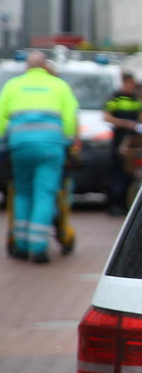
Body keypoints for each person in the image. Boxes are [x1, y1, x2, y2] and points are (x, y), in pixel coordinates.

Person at [0, 52, 78, 263]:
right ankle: (39, 247)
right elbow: (70, 118)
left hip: (20, 146)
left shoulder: (12, 85)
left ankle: (22, 245)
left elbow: (1, 117)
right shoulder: (59, 86)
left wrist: (4, 144)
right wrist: (68, 141)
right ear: (45, 65)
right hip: (50, 147)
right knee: (44, 193)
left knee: (22, 192)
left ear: (27, 66)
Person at [102, 72, 142, 216]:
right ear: (124, 83)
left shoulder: (135, 98)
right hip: (119, 140)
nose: (132, 87)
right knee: (117, 173)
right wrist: (123, 123)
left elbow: (141, 113)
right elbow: (106, 116)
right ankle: (113, 205)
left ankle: (124, 204)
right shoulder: (116, 97)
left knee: (128, 173)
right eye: (130, 84)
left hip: (131, 141)